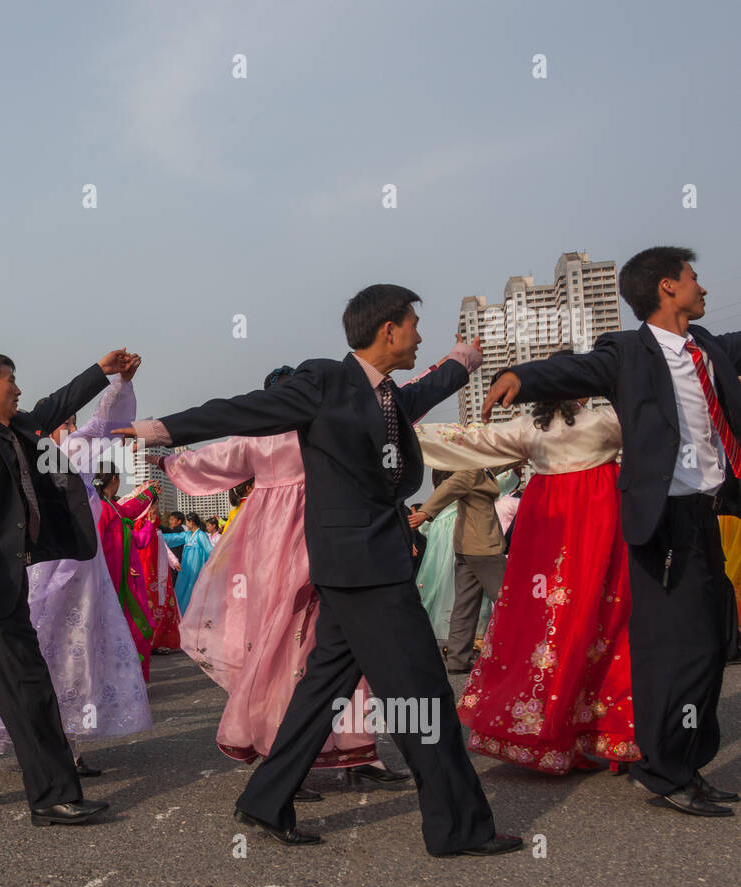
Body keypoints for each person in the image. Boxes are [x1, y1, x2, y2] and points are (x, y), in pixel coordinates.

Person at [118, 285, 518, 856]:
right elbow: (243, 411)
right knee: (422, 697)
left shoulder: (384, 397)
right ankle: (457, 827)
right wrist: (160, 428)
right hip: (365, 568)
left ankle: (265, 798)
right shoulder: (326, 381)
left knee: (322, 687)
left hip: (356, 564)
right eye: (413, 325)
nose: (418, 335)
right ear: (387, 330)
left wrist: (463, 360)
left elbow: (425, 390)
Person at [480, 246, 741, 816]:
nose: (704, 287)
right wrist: (519, 376)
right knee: (673, 649)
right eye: (695, 277)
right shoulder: (625, 352)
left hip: (707, 511)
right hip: (663, 519)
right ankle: (663, 771)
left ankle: (685, 764)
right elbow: (574, 370)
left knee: (712, 643)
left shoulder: (711, 348)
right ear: (668, 287)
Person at [154, 366, 410, 794]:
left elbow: (208, 461)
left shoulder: (272, 433)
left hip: (287, 536)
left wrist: (165, 458)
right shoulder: (292, 428)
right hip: (298, 538)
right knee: (297, 645)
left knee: (321, 644)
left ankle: (349, 749)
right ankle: (289, 757)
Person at [0, 348, 137, 827]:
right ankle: (51, 796)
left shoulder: (21, 429)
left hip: (12, 579)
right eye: (10, 380)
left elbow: (57, 403)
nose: (18, 388)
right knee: (29, 687)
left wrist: (103, 372)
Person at [417, 389, 637, 773]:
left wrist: (405, 430)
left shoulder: (528, 429)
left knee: (542, 622)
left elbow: (467, 439)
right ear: (583, 392)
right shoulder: (607, 424)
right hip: (597, 523)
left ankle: (541, 730)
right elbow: (659, 425)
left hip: (546, 523)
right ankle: (606, 729)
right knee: (604, 619)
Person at [0, 371, 153, 768]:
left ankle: (63, 746)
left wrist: (120, 382)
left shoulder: (73, 452)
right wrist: (118, 382)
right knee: (58, 643)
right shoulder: (47, 452)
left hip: (77, 561)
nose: (71, 428)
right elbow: (104, 422)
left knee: (72, 646)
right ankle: (48, 743)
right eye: (65, 423)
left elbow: (104, 422)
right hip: (58, 558)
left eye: (71, 423)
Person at [408, 468, 508, 673]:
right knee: (510, 600)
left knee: (465, 604)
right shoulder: (469, 471)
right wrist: (425, 513)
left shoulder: (482, 467)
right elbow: (449, 487)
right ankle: (519, 651)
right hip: (483, 546)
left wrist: (524, 453)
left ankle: (457, 658)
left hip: (467, 546)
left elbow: (500, 463)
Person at [91, 460, 157, 678]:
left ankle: (128, 675)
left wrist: (149, 494)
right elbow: (97, 542)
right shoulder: (100, 507)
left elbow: (129, 509)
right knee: (128, 626)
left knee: (135, 625)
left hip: (122, 578)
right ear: (114, 479)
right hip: (110, 580)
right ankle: (122, 676)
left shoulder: (111, 507)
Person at [135, 500, 182, 654]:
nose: (155, 512)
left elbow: (164, 548)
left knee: (162, 605)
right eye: (152, 509)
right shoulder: (140, 527)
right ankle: (149, 641)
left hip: (160, 575)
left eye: (156, 509)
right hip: (146, 573)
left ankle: (160, 640)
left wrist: (174, 561)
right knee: (149, 605)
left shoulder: (157, 531)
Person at [161, 512, 213, 614]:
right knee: (181, 589)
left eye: (187, 522)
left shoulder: (201, 535)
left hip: (196, 571)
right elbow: (174, 537)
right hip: (185, 569)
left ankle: (193, 615)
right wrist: (158, 536)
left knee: (193, 592)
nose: (186, 524)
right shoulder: (187, 535)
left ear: (191, 522)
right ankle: (180, 614)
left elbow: (210, 551)